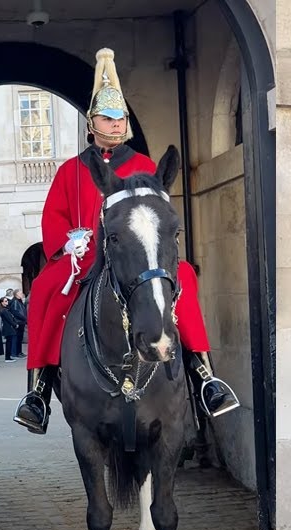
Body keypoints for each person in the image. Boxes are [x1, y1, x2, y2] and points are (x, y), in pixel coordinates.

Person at [15, 48, 238, 434]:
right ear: (93, 122)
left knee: (183, 274)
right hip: (84, 257)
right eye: (107, 118)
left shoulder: (143, 166)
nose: (116, 125)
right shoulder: (71, 170)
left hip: (135, 256)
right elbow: (54, 215)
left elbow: (156, 214)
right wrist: (68, 244)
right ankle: (38, 390)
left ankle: (204, 374)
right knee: (47, 287)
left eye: (120, 119)